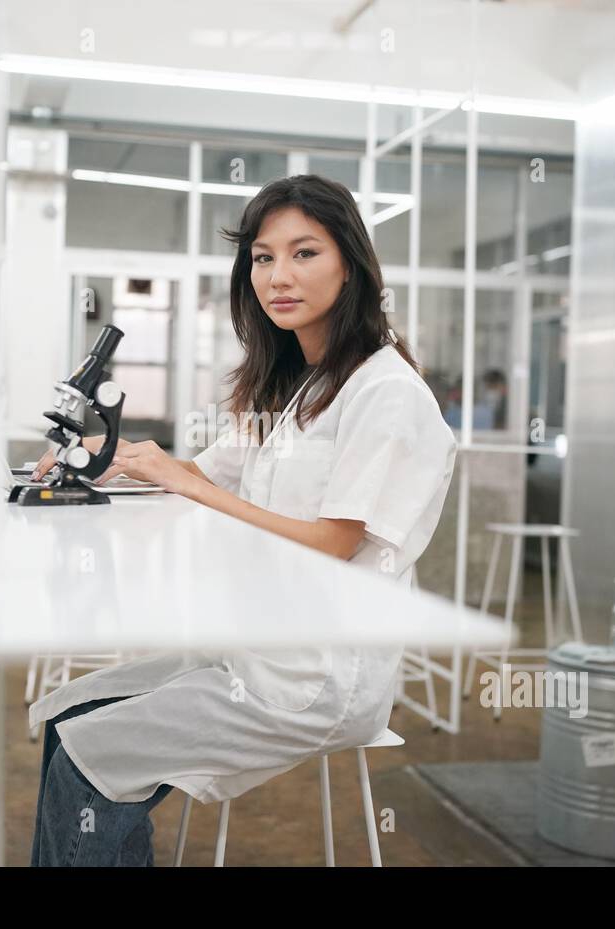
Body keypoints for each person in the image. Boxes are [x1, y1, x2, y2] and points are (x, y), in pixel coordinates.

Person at [26, 174, 457, 866]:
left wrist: (184, 485)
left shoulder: (386, 392)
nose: (278, 276)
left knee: (88, 755)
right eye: (262, 257)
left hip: (314, 680)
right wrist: (95, 461)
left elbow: (332, 544)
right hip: (256, 647)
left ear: (351, 265)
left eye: (304, 253)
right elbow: (198, 471)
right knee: (68, 715)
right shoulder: (303, 387)